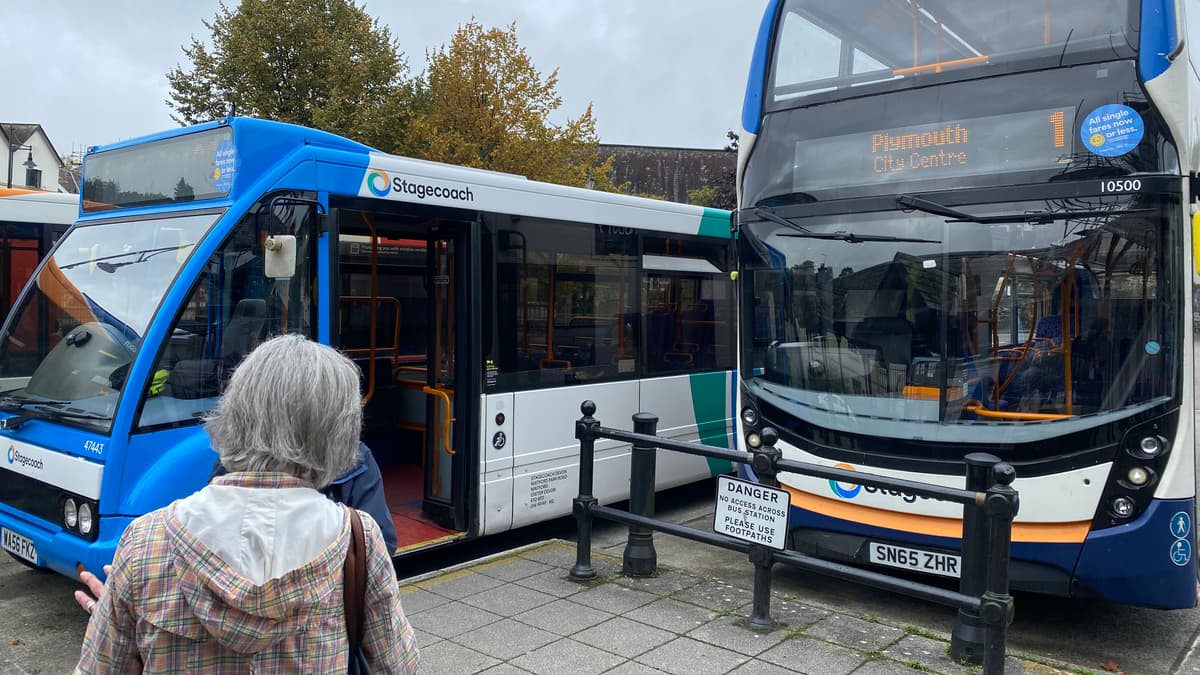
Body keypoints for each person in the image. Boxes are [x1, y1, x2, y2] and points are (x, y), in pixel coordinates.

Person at [74, 334, 419, 673]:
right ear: (340, 432)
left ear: (232, 412)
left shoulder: (144, 543)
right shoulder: (359, 541)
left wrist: (128, 614)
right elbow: (400, 666)